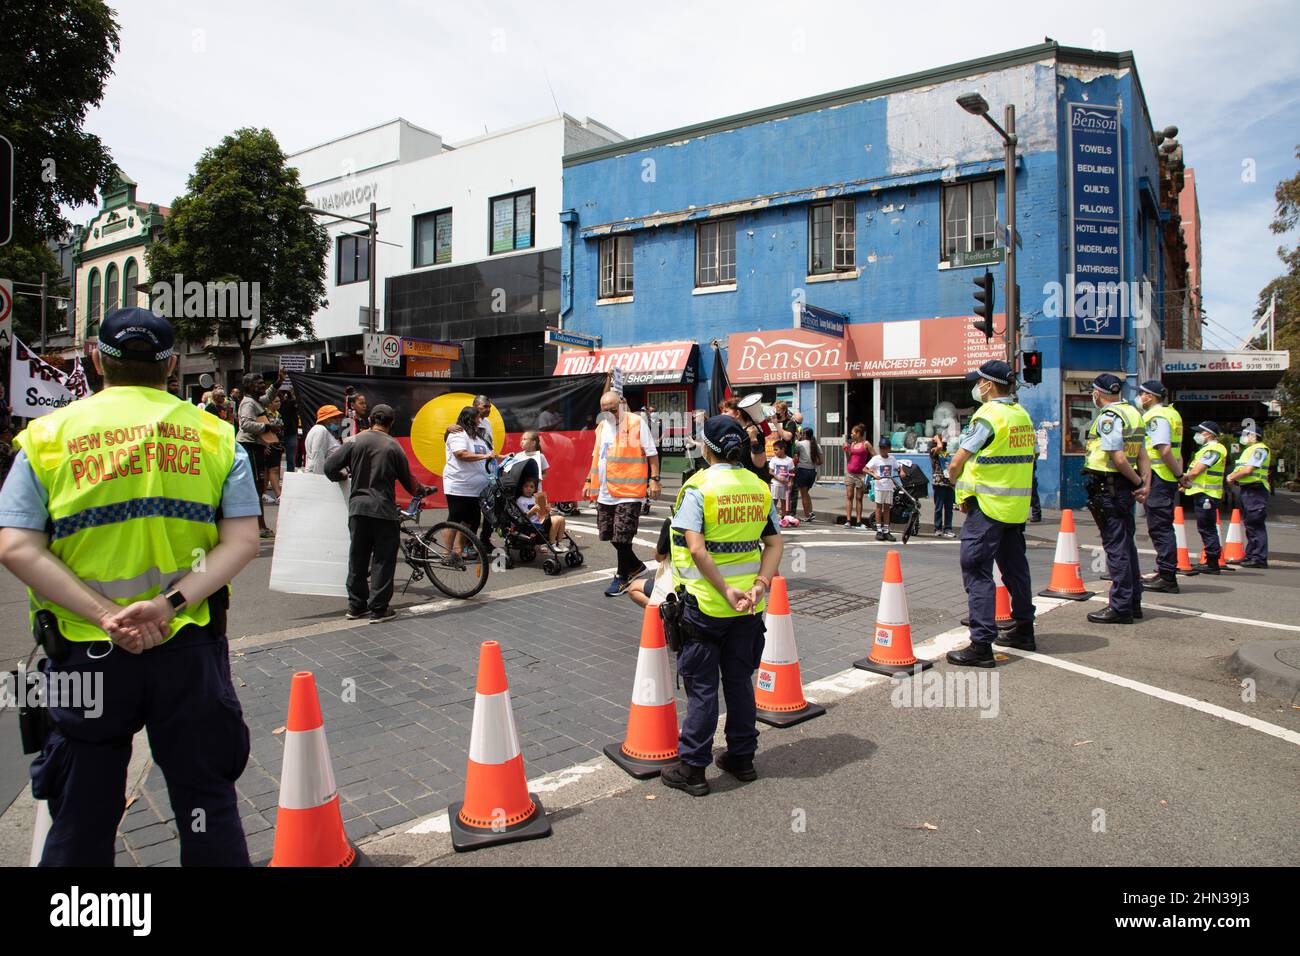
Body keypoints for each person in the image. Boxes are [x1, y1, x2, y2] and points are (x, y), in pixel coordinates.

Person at [0, 307, 262, 866]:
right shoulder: (216, 437)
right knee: (205, 803)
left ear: (97, 358)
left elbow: (17, 547)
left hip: (87, 654)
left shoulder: (47, 438)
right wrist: (167, 606)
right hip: (187, 651)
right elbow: (242, 542)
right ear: (170, 365)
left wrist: (104, 615)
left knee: (82, 814)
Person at [660, 415, 783, 796]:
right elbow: (775, 544)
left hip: (704, 605)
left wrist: (725, 589)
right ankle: (742, 759)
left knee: (702, 689)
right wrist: (760, 584)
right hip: (748, 608)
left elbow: (695, 548)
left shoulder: (698, 486)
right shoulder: (759, 487)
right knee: (739, 683)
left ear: (706, 448)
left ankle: (694, 768)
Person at [946, 360, 1037, 666]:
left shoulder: (988, 416)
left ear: (988, 385)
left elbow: (959, 460)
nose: (977, 387)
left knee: (977, 570)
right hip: (1014, 508)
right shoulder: (1021, 415)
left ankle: (981, 645)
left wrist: (953, 479)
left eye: (979, 382)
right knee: (1015, 569)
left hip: (987, 508)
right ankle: (1024, 629)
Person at [324, 404, 430, 622]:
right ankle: (379, 609)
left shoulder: (355, 440)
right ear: (391, 423)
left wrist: (343, 476)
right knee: (382, 559)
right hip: (383, 510)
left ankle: (355, 607)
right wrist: (422, 490)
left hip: (358, 510)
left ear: (371, 419)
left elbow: (330, 467)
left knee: (358, 558)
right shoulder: (393, 446)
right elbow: (409, 483)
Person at [1082, 374, 1151, 624]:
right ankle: (1133, 602)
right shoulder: (1133, 413)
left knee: (1116, 548)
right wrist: (1144, 483)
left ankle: (1120, 606)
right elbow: (1143, 454)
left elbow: (1118, 458)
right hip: (1124, 487)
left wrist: (1137, 483)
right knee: (1126, 544)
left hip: (1109, 487)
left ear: (1098, 393)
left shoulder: (1109, 418)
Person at [584, 390, 660, 597]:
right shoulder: (601, 427)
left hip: (629, 491)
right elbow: (596, 456)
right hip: (605, 491)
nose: (610, 414)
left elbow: (652, 454)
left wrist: (654, 480)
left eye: (613, 409)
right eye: (605, 410)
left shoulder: (636, 423)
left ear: (622, 404)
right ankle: (635, 566)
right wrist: (589, 481)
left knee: (623, 536)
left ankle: (622, 576)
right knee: (610, 535)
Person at [1138, 379, 1184, 593]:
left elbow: (1164, 450)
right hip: (1166, 477)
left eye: (1142, 393)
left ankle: (1167, 576)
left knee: (1160, 527)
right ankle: (1164, 571)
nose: (1140, 397)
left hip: (1158, 477)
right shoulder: (1173, 414)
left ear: (1150, 396)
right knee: (1162, 526)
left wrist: (1177, 474)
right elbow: (1178, 452)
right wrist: (1180, 475)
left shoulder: (1156, 417)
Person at [237, 369, 283, 538]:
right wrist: (268, 427)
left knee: (259, 486)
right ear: (249, 387)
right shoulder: (249, 403)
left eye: (264, 383)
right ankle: (259, 526)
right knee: (256, 487)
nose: (263, 385)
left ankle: (257, 525)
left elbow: (267, 398)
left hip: (255, 446)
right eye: (259, 383)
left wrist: (277, 383)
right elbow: (246, 424)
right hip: (249, 447)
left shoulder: (255, 400)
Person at [442, 406, 494, 553]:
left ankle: (459, 551)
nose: (480, 421)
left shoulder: (478, 436)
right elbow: (461, 454)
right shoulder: (457, 433)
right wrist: (485, 456)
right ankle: (446, 553)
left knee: (470, 520)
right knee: (455, 519)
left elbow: (487, 453)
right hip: (459, 485)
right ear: (469, 419)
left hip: (478, 487)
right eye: (477, 418)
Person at [1179, 422, 1226, 572]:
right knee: (1205, 527)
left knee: (1207, 527)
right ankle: (1211, 561)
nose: (1197, 435)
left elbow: (1198, 470)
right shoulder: (1206, 449)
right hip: (1203, 493)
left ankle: (1212, 563)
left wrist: (1183, 479)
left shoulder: (1214, 449)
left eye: (1201, 432)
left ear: (1210, 434)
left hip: (1207, 494)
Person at [1227, 423, 1271, 568]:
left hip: (1255, 491)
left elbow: (1248, 470)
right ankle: (1251, 556)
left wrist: (1232, 476)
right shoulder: (1249, 450)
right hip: (1248, 490)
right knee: (1250, 524)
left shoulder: (1259, 449)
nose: (1241, 437)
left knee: (1255, 524)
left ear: (1253, 435)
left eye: (1244, 435)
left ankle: (1258, 558)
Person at [628, 517, 674, 609]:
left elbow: (659, 557)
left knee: (633, 588)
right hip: (704, 586)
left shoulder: (673, 521)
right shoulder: (710, 525)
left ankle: (660, 611)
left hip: (675, 585)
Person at [720, 397, 769, 478]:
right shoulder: (734, 433)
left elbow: (759, 463)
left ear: (738, 414)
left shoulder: (754, 432)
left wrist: (753, 440)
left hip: (755, 483)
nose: (722, 414)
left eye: (726, 411)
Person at [517, 476, 567, 551]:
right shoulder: (520, 500)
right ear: (521, 488)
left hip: (541, 519)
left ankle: (559, 543)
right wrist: (532, 511)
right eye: (526, 486)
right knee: (556, 520)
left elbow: (543, 513)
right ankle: (552, 543)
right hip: (531, 524)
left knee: (561, 519)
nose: (529, 489)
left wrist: (546, 510)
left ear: (534, 489)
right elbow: (523, 518)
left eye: (531, 487)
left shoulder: (535, 498)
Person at [866, 439, 898, 541]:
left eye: (885, 448)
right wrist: (874, 475)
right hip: (879, 487)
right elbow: (865, 468)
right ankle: (879, 530)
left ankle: (886, 530)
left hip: (889, 486)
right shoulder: (876, 459)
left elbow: (898, 467)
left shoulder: (892, 459)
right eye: (881, 448)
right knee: (879, 508)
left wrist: (901, 472)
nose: (882, 450)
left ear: (889, 449)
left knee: (887, 509)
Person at [843, 424, 872, 529]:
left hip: (860, 475)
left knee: (859, 498)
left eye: (853, 433)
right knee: (849, 496)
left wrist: (869, 468)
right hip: (850, 473)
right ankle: (848, 520)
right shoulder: (852, 444)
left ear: (858, 434)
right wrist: (846, 452)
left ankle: (859, 521)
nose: (851, 435)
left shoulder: (866, 444)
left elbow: (874, 455)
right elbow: (849, 458)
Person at [304, 404, 345, 475]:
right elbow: (318, 457)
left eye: (338, 417)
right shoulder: (320, 430)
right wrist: (320, 480)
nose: (338, 420)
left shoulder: (322, 431)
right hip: (319, 478)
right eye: (335, 417)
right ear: (327, 419)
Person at [930, 434, 956, 537]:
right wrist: (937, 439)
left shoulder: (947, 454)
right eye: (941, 441)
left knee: (949, 508)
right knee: (939, 507)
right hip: (939, 483)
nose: (943, 443)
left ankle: (948, 529)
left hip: (948, 483)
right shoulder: (934, 452)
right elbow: (939, 447)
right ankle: (937, 528)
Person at [262, 393, 285, 504]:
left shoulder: (278, 414)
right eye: (276, 401)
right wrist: (264, 444)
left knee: (270, 470)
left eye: (279, 401)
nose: (278, 403)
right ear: (269, 403)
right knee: (273, 469)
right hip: (268, 445)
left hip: (278, 445)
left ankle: (264, 493)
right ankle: (278, 494)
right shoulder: (264, 414)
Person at [794, 427, 821, 522]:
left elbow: (794, 452)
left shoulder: (799, 444)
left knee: (804, 494)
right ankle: (811, 512)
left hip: (802, 471)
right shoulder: (816, 445)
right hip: (812, 472)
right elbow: (820, 461)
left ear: (804, 435)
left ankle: (807, 515)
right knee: (806, 493)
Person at [768, 440, 795, 521]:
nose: (775, 451)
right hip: (775, 484)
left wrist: (791, 481)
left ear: (783, 449)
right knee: (774, 500)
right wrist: (778, 478)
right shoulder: (773, 460)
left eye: (776, 449)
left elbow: (791, 472)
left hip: (785, 485)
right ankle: (772, 518)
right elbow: (771, 472)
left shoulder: (789, 460)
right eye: (774, 450)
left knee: (784, 501)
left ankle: (784, 517)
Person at [278, 385, 300, 473]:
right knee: (276, 461)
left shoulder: (291, 403)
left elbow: (298, 404)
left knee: (290, 458)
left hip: (290, 432)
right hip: (279, 433)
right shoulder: (273, 407)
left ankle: (289, 476)